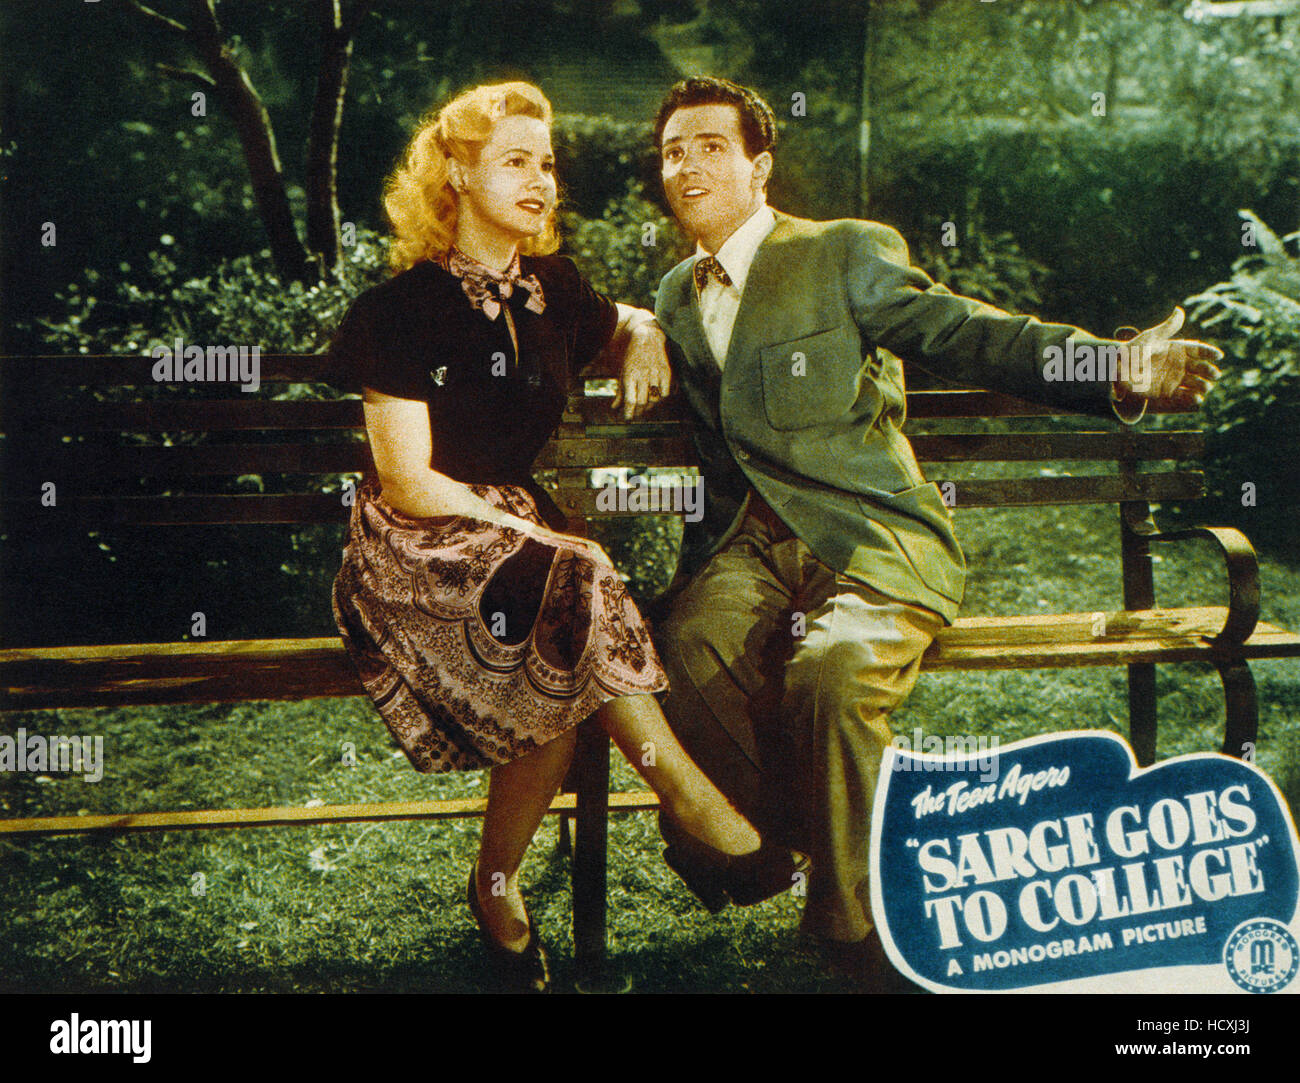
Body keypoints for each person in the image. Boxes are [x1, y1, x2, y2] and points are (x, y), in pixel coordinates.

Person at [646, 76, 1224, 987]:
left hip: (871, 532)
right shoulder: (676, 293)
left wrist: (1114, 363)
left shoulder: (842, 252)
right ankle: (760, 850)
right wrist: (633, 328)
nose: (687, 165)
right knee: (679, 653)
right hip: (748, 549)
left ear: (759, 164)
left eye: (710, 145)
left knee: (832, 673)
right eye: (673, 150)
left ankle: (856, 928)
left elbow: (970, 334)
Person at [327, 81, 785, 992]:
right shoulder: (398, 310)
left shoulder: (553, 292)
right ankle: (689, 796)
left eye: (546, 163)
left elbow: (628, 320)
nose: (540, 181)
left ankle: (494, 887)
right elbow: (408, 482)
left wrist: (645, 332)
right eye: (514, 162)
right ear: (456, 172)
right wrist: (534, 535)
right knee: (571, 579)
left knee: (559, 645)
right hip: (418, 548)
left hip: (524, 562)